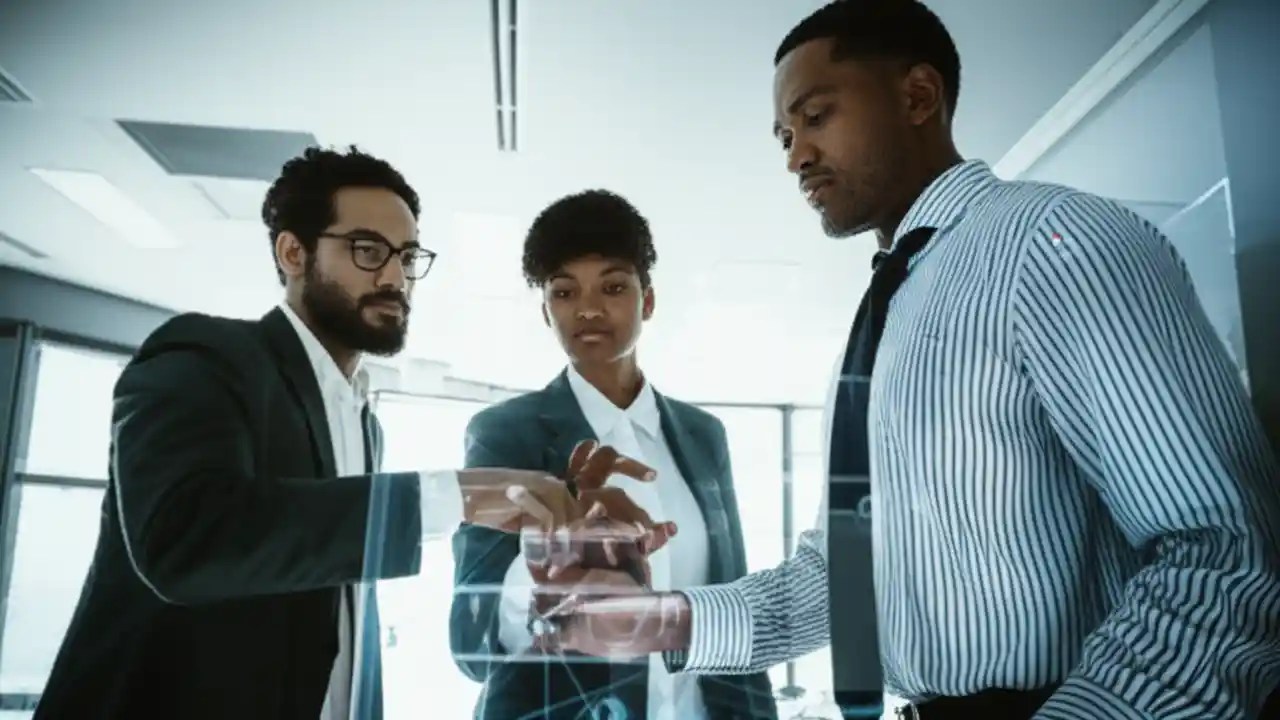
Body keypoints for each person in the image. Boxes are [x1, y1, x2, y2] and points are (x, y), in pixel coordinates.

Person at [534, 2, 1280, 719]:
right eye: (782, 135)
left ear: (918, 95)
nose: (795, 155)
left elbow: (1222, 557)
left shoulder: (1054, 242)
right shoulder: (885, 322)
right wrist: (662, 621)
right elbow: (842, 579)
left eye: (815, 116)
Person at [35, 147, 665, 720]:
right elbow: (184, 540)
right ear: (292, 253)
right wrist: (459, 494)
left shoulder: (365, 426)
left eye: (406, 256)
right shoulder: (208, 355)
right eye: (367, 251)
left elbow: (330, 621)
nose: (393, 277)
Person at [448, 190, 777, 719]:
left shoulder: (703, 435)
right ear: (545, 310)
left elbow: (734, 604)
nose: (589, 309)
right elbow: (471, 642)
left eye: (614, 286)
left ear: (648, 300)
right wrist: (546, 556)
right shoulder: (504, 434)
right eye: (564, 291)